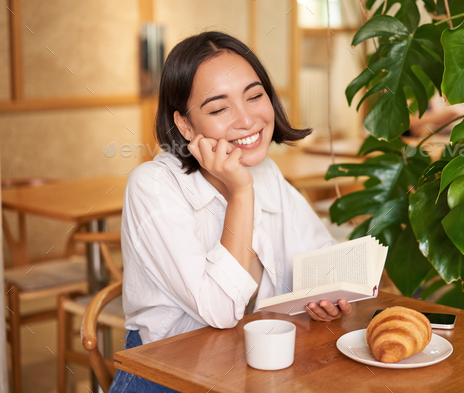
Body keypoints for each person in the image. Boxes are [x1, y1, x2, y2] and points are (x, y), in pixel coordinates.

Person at [109, 31, 352, 392]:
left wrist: (325, 293)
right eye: (219, 108)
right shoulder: (153, 186)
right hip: (167, 376)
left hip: (250, 366)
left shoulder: (266, 171)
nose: (247, 119)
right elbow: (221, 312)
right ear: (185, 125)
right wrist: (241, 191)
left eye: (255, 96)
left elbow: (319, 254)